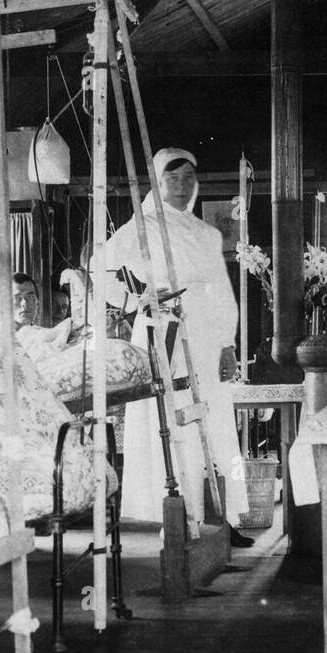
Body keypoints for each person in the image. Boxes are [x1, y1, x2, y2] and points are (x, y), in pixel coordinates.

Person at [91, 147, 250, 546]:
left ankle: (222, 517)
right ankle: (178, 517)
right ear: (158, 184)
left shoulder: (207, 233)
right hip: (165, 332)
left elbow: (222, 292)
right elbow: (99, 267)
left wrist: (227, 344)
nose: (181, 188)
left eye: (188, 179)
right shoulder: (143, 226)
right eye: (172, 180)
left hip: (206, 333)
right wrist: (137, 299)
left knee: (214, 421)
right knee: (173, 422)